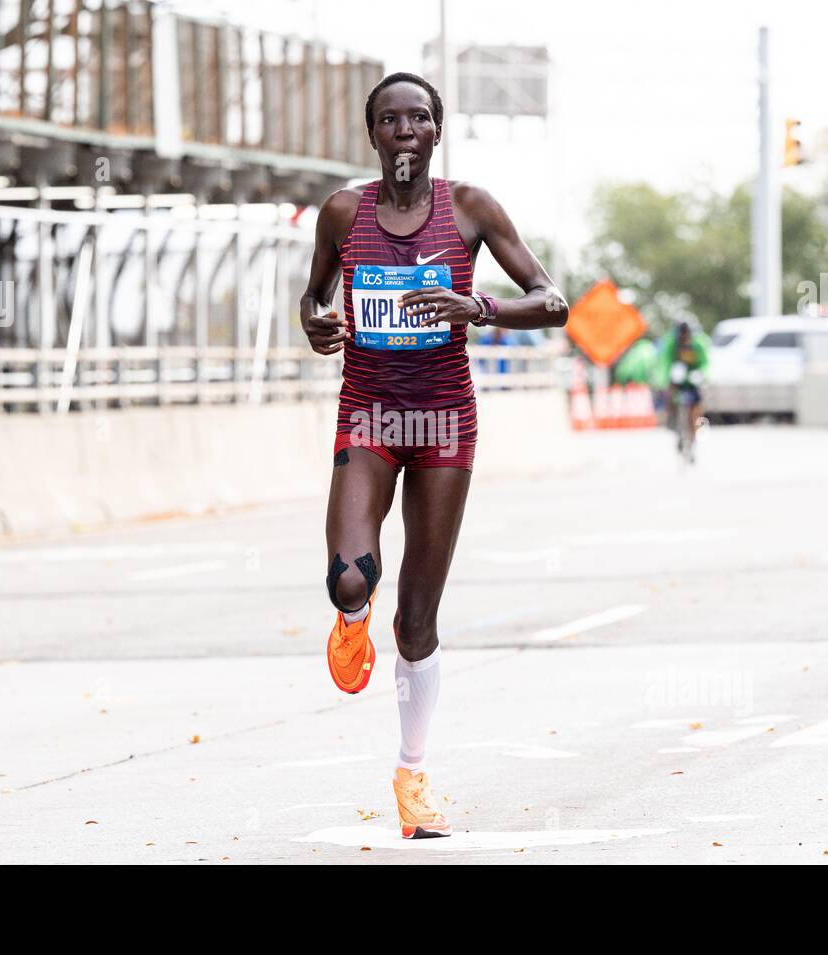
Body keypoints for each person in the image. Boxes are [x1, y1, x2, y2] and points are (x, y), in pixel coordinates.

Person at [299, 71, 568, 839]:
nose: (406, 130)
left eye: (419, 117)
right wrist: (316, 322)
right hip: (371, 416)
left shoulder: (472, 209)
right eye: (391, 119)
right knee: (350, 578)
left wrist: (476, 306)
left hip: (445, 422)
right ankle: (353, 615)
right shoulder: (343, 213)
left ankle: (413, 776)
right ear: (373, 134)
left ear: (437, 130)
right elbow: (315, 300)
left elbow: (554, 301)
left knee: (417, 620)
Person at [654, 320, 710, 457]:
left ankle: (695, 432)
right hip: (677, 379)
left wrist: (701, 374)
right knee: (670, 397)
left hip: (692, 380)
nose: (684, 338)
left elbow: (705, 362)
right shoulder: (672, 345)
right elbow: (665, 363)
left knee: (696, 408)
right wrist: (664, 381)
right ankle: (673, 423)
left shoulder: (697, 345)